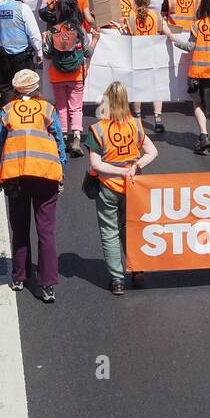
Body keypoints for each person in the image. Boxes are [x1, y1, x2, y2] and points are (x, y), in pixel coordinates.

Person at [0, 69, 66, 303]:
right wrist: (60, 170)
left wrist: (0, 171)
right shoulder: (47, 109)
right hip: (45, 174)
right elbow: (58, 141)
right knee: (46, 231)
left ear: (16, 90)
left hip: (16, 174)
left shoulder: (6, 111)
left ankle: (19, 276)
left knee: (20, 226)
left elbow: (0, 144)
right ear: (37, 88)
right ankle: (47, 284)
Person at [85, 80, 158, 296]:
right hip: (133, 186)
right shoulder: (135, 125)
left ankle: (117, 279)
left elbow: (96, 165)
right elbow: (152, 152)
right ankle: (137, 269)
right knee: (132, 227)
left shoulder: (98, 129)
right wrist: (134, 167)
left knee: (110, 231)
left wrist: (119, 171)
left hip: (108, 185)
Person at [172, 0, 210, 154]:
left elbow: (189, 47)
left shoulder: (197, 25)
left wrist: (173, 38)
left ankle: (203, 134)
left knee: (198, 105)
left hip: (197, 73)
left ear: (202, 7)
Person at [43, 0, 91, 155]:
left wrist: (45, 42)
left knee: (61, 108)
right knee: (76, 108)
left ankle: (63, 137)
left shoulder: (53, 31)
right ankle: (76, 136)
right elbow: (87, 52)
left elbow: (47, 55)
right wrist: (96, 39)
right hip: (76, 75)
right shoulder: (79, 30)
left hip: (57, 75)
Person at [0, 0, 43, 109]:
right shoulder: (23, 8)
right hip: (22, 56)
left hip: (2, 55)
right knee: (25, 85)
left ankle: (7, 115)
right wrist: (39, 51)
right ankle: (25, 113)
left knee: (6, 87)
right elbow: (34, 33)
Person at [125, 0, 175, 133]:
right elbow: (166, 32)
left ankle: (138, 118)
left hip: (137, 55)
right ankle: (158, 119)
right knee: (155, 87)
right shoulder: (156, 16)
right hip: (153, 55)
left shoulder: (130, 16)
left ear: (136, 1)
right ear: (148, 2)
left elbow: (127, 34)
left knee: (137, 87)